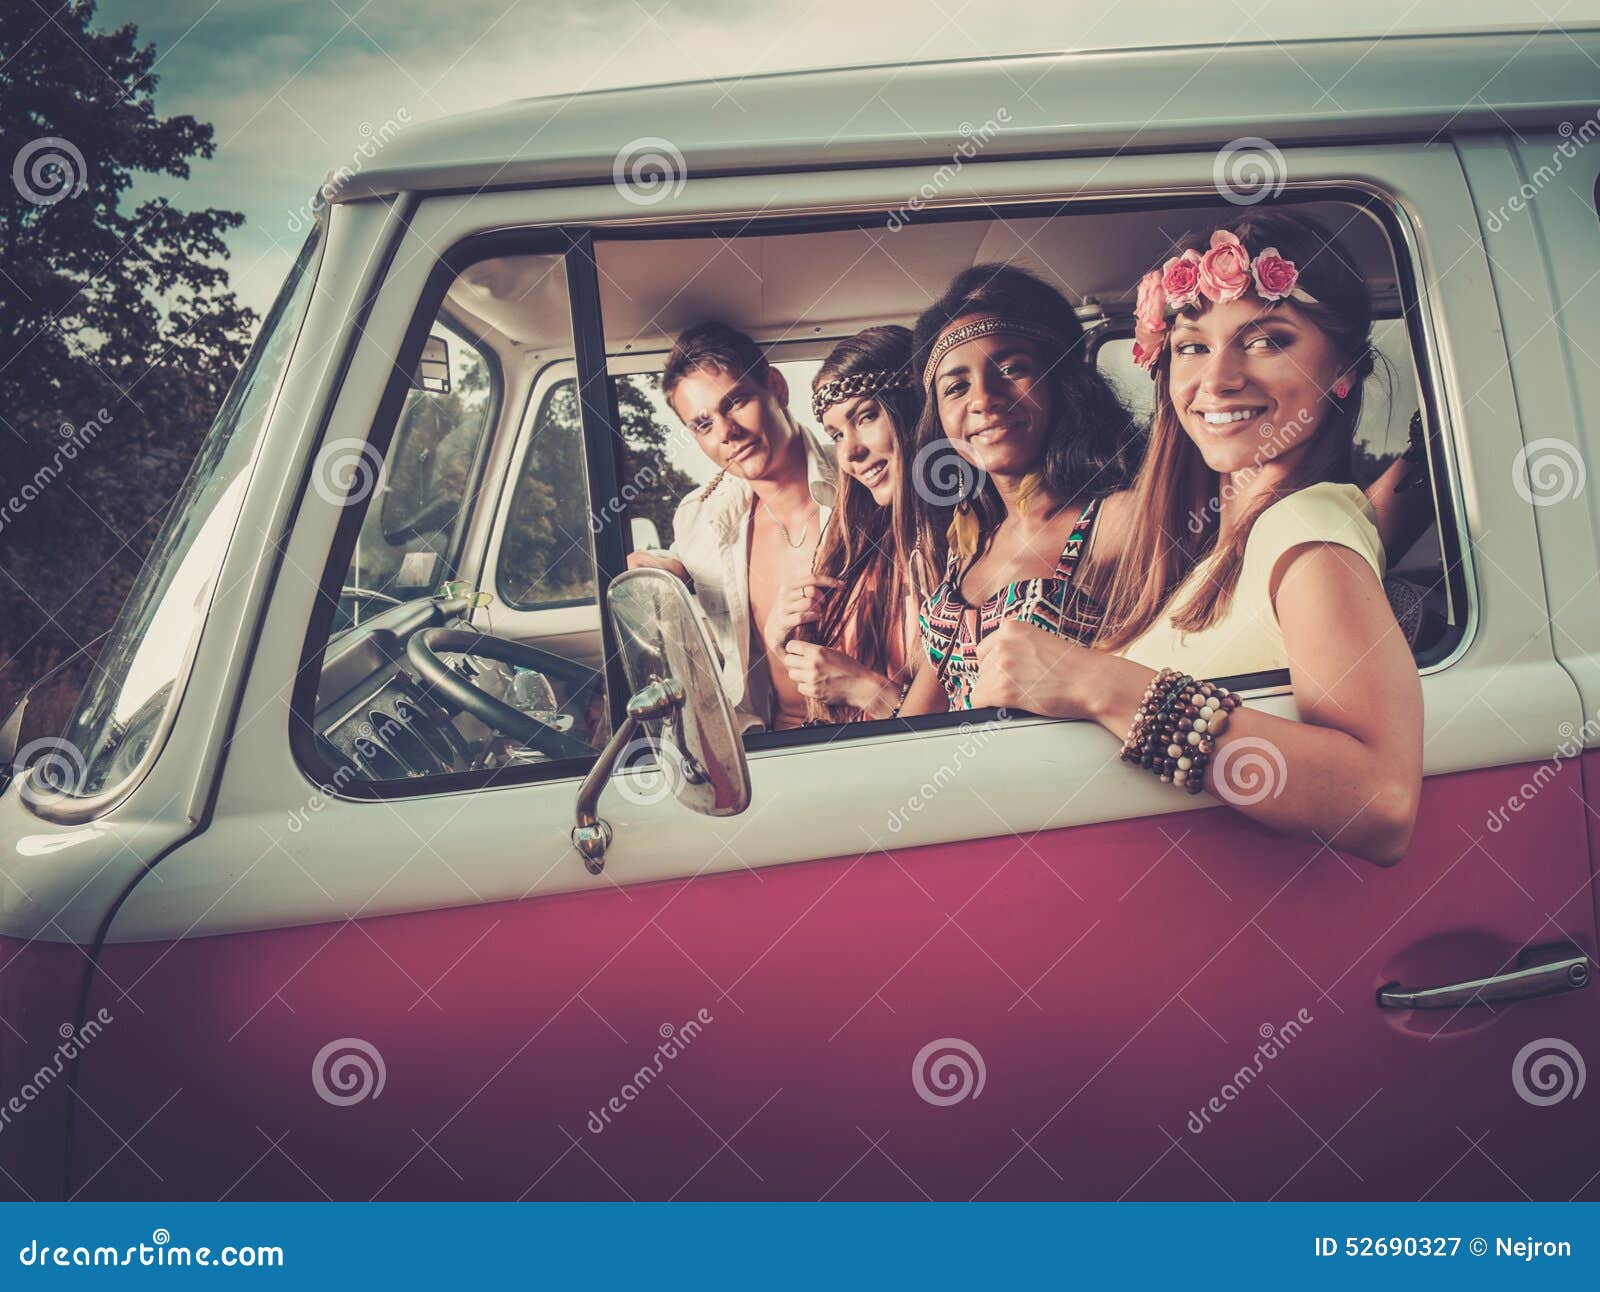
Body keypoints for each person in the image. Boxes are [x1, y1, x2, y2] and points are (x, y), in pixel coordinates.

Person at [967, 211, 1422, 866]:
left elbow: (1379, 802)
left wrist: (1097, 683)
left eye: (1266, 341)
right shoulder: (1217, 543)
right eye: (1192, 346)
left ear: (1342, 369)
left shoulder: (1306, 531)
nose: (1218, 378)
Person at [898, 264, 1143, 715]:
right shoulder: (966, 545)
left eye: (1010, 368)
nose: (984, 398)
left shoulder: (1117, 520)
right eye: (956, 386)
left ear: (1059, 382)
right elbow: (918, 720)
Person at [626, 322, 836, 733]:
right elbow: (680, 573)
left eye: (736, 402)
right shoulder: (702, 518)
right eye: (703, 424)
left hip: (877, 734)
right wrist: (662, 578)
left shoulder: (863, 477)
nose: (726, 432)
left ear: (775, 387)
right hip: (770, 743)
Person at [765, 326, 925, 723]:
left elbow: (957, 733)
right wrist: (783, 643)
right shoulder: (856, 548)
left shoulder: (966, 547)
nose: (851, 452)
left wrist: (862, 688)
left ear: (914, 409)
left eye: (867, 417)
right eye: (836, 434)